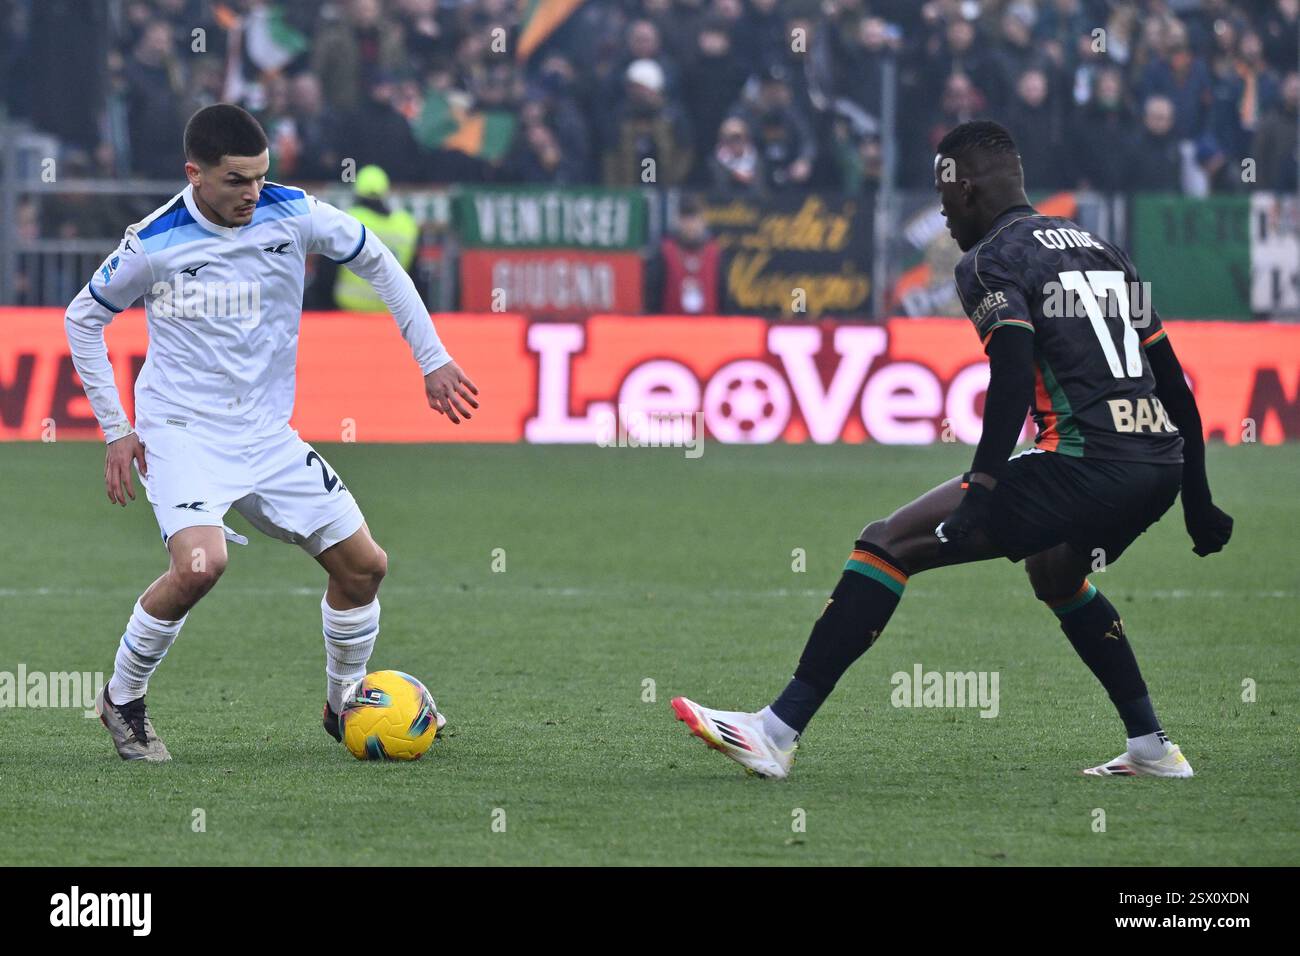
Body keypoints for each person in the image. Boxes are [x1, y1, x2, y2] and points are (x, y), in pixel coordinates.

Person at [671, 121, 1233, 780]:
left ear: (967, 189)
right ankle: (1152, 748)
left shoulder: (991, 260)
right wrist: (1197, 498)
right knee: (1056, 572)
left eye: (945, 200)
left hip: (1089, 462)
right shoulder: (1101, 248)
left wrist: (984, 488)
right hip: (1156, 467)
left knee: (887, 542)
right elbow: (1171, 381)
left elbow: (1011, 377)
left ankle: (775, 730)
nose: (942, 215)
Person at [64, 104, 479, 761]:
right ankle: (123, 701)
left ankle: (342, 704)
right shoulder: (154, 241)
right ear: (194, 174)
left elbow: (379, 263)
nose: (252, 194)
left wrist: (431, 357)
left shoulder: (296, 212)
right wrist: (117, 429)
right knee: (202, 564)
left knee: (365, 567)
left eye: (259, 177)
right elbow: (82, 318)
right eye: (235, 181)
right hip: (180, 429)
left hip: (264, 433)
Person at [326, 164, 420, 311]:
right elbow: (415, 275)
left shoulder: (348, 220)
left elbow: (328, 271)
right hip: (392, 314)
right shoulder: (406, 224)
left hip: (349, 312)